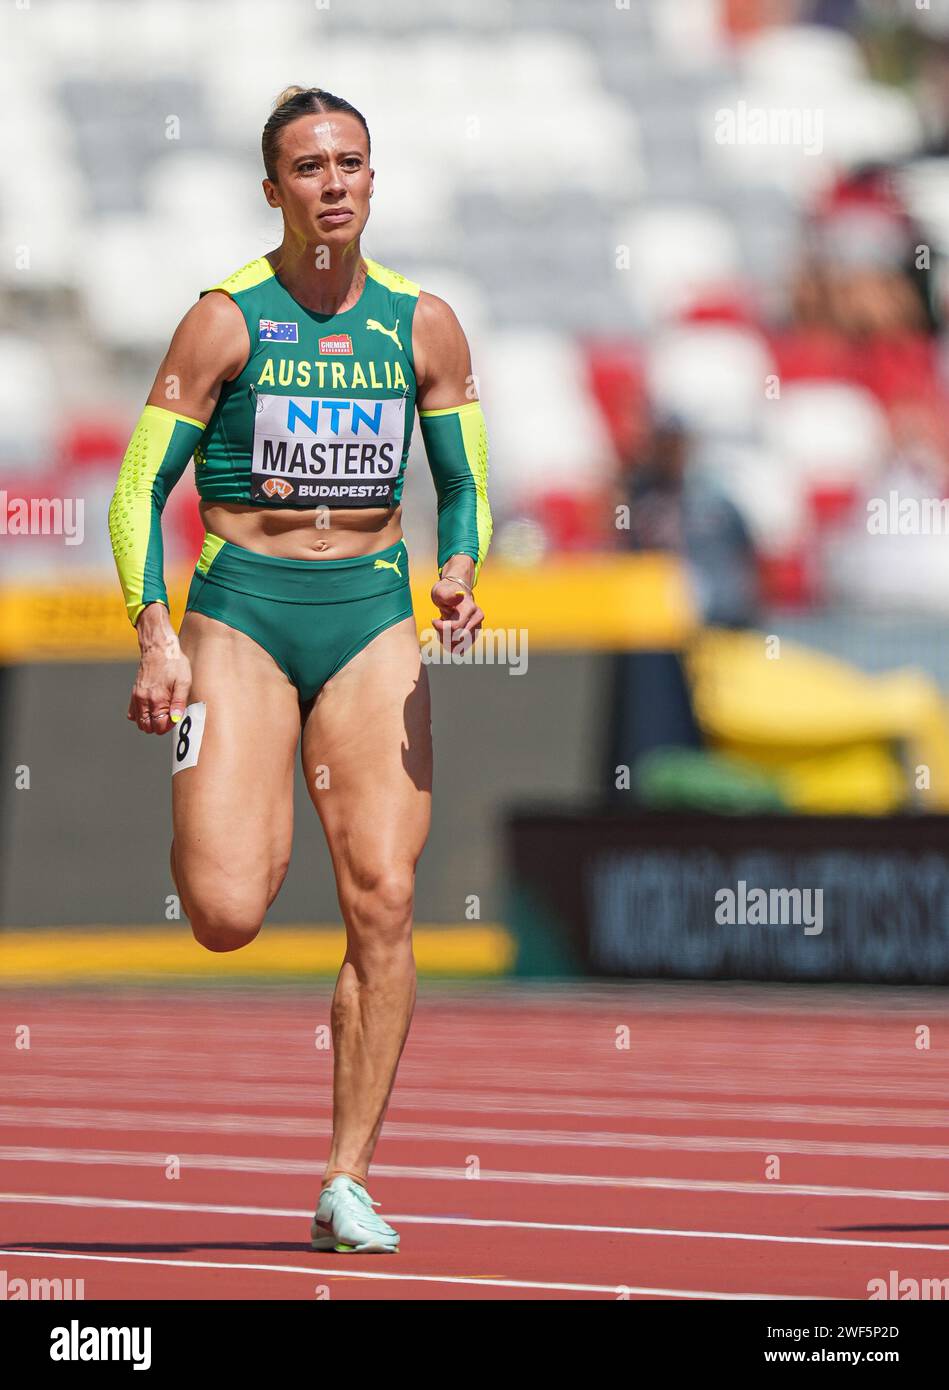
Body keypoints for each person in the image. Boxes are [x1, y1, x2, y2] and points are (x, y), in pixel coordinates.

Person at [107, 86, 492, 1253]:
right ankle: (224, 791)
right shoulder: (226, 321)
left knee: (383, 894)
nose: (334, 183)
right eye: (309, 167)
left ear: (374, 181)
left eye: (352, 163)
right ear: (271, 189)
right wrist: (154, 627)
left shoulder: (421, 324)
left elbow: (465, 485)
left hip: (372, 611)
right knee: (226, 909)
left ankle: (346, 1176)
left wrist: (462, 567)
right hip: (243, 611)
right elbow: (136, 488)